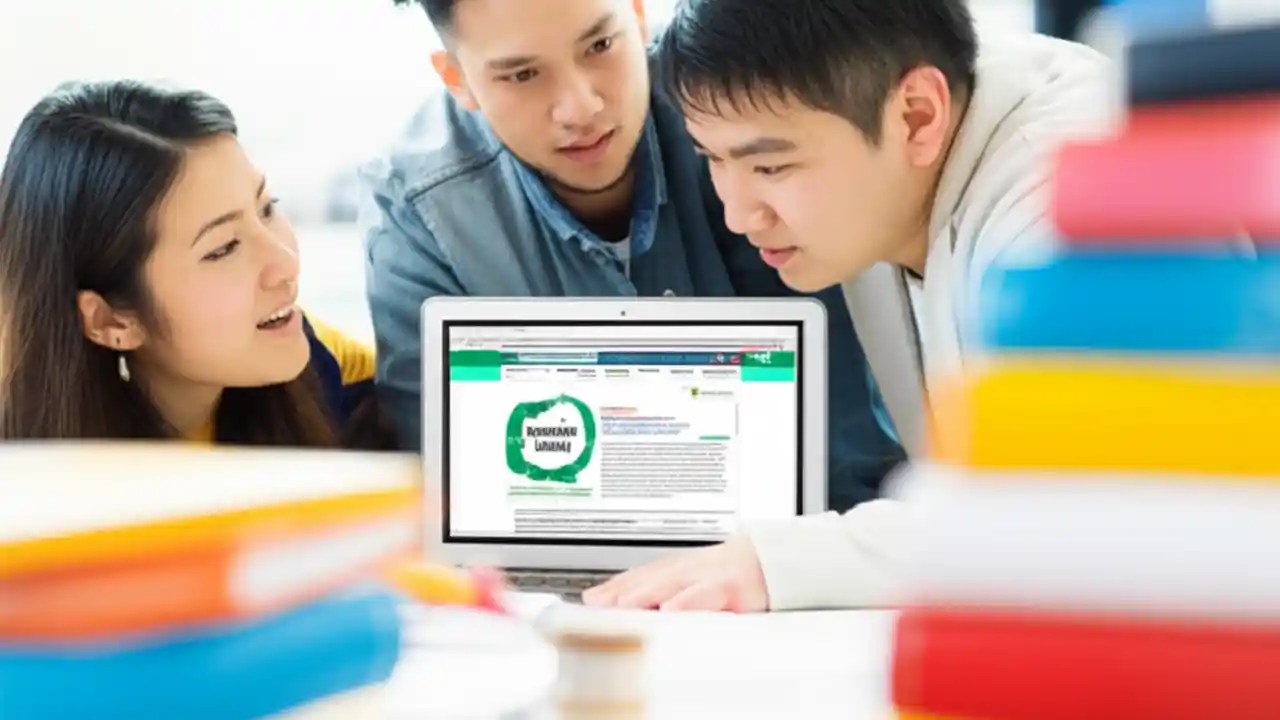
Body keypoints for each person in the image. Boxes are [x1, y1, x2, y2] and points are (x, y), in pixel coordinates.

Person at [583, 0, 1113, 612]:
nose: (739, 215)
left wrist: (775, 561)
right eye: (713, 159)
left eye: (771, 165)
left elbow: (1063, 505)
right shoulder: (886, 149)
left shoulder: (1072, 207)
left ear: (918, 117)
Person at [362, 0, 906, 510]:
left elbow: (851, 449)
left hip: (800, 551)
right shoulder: (420, 213)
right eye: (523, 75)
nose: (581, 108)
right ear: (458, 79)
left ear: (640, 15)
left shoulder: (746, 114)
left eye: (600, 46)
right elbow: (445, 485)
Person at [0, 80, 392, 448]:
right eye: (223, 248)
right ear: (110, 320)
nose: (285, 263)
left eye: (267, 208)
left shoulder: (323, 360)